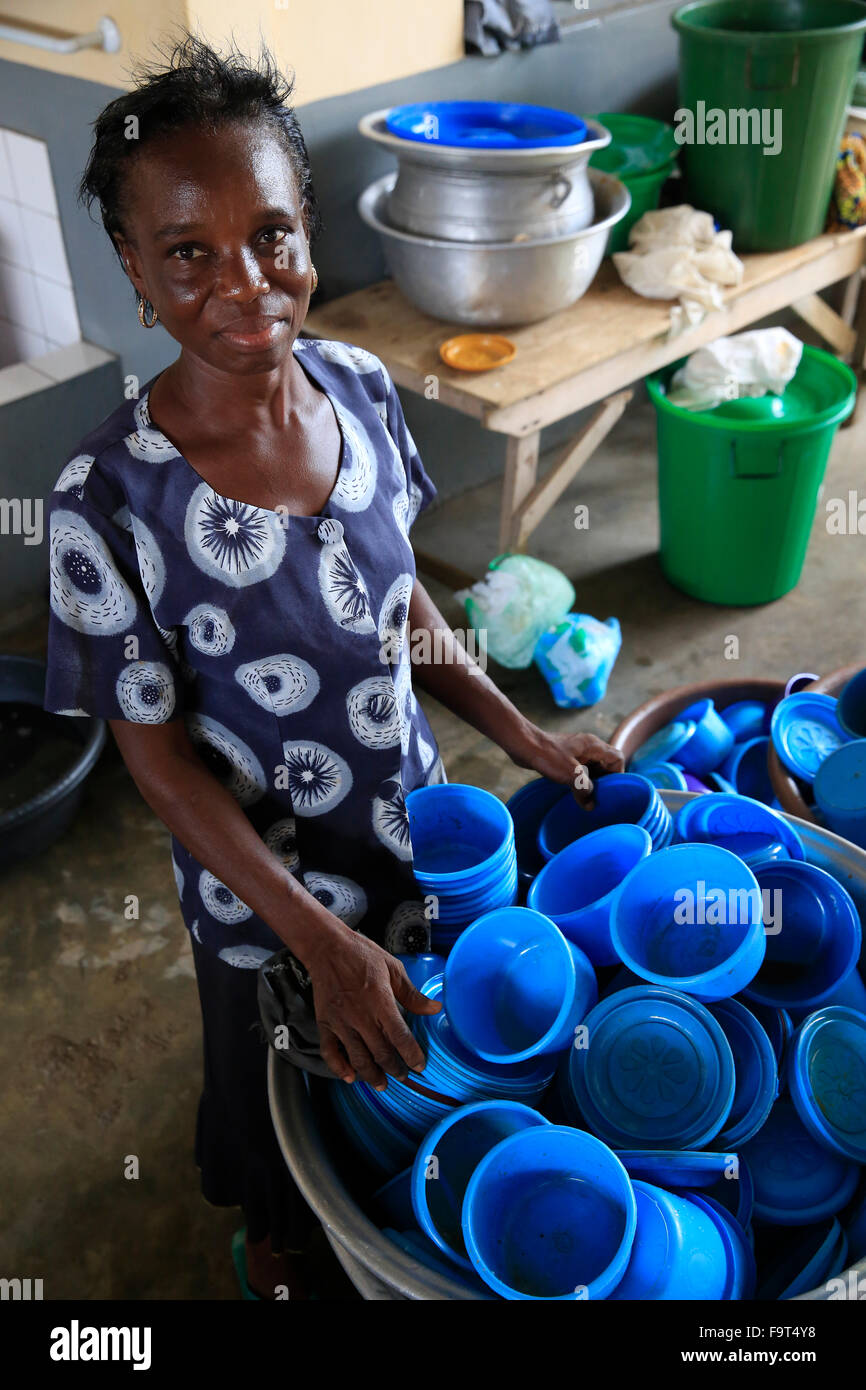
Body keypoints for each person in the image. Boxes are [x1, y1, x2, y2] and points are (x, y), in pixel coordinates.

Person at [44, 36, 624, 1298]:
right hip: (265, 906)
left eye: (270, 236)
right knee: (277, 1102)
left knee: (406, 1067)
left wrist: (519, 735)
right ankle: (285, 1241)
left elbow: (398, 596)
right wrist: (315, 940)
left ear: (309, 233)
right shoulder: (105, 498)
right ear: (138, 279)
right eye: (188, 252)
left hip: (407, 833)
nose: (243, 282)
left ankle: (380, 1187)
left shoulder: (360, 387)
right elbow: (156, 756)